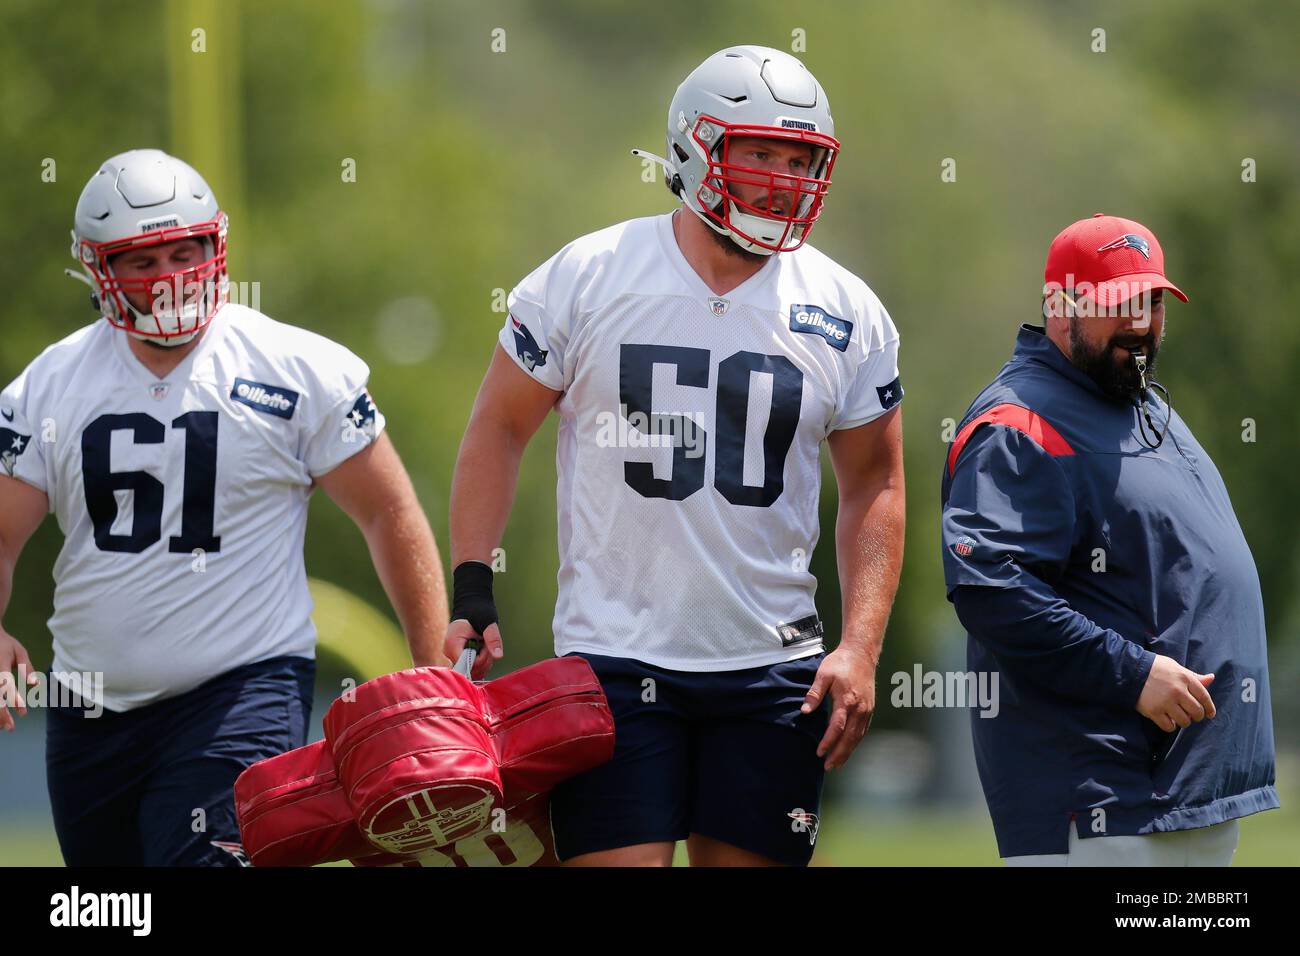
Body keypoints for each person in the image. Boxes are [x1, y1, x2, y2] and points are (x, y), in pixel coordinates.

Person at [445, 46, 906, 866]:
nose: (783, 177)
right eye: (761, 151)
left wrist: (862, 646)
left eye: (800, 158)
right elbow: (499, 427)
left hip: (772, 667)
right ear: (696, 149)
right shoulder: (589, 277)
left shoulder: (846, 311)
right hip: (615, 659)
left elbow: (875, 482)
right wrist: (472, 581)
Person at [0, 148, 450, 866]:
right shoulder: (48, 387)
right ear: (99, 268)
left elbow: (386, 510)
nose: (169, 276)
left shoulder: (295, 368)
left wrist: (436, 671)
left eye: (184, 251)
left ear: (217, 244)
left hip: (240, 689)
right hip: (89, 705)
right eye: (142, 261)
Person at [941, 213, 1279, 866]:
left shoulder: (1138, 403)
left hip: (1179, 800)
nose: (1140, 323)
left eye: (1151, 302)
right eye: (1116, 302)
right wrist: (1134, 675)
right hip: (1100, 805)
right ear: (1059, 307)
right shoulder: (1019, 423)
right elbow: (993, 591)